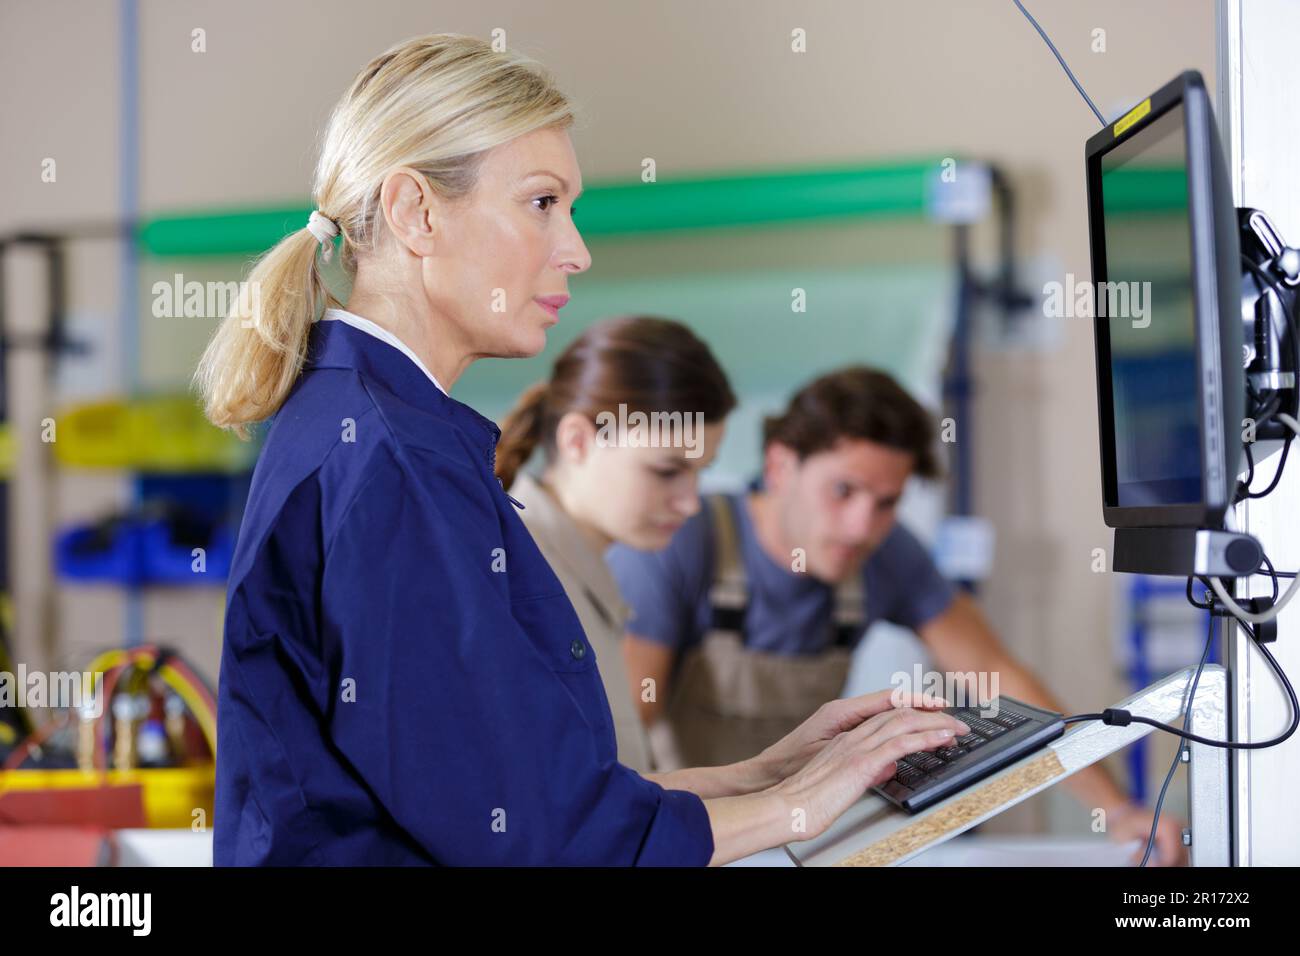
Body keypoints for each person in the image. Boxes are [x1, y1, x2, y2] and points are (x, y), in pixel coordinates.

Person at [196, 33, 967, 866]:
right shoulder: (393, 459)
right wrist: (799, 807)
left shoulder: (365, 420)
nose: (576, 249)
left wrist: (764, 773)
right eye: (541, 202)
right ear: (416, 212)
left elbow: (523, 794)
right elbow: (536, 836)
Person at [609, 366, 1189, 865]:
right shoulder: (685, 545)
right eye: (843, 491)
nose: (862, 526)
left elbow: (995, 676)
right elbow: (627, 731)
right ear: (780, 465)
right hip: (690, 837)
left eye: (886, 503)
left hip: (793, 841)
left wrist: (1118, 810)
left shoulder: (885, 556)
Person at [494, 315, 736, 772]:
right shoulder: (521, 582)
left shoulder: (573, 573)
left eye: (699, 472)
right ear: (578, 441)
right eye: (667, 471)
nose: (690, 504)